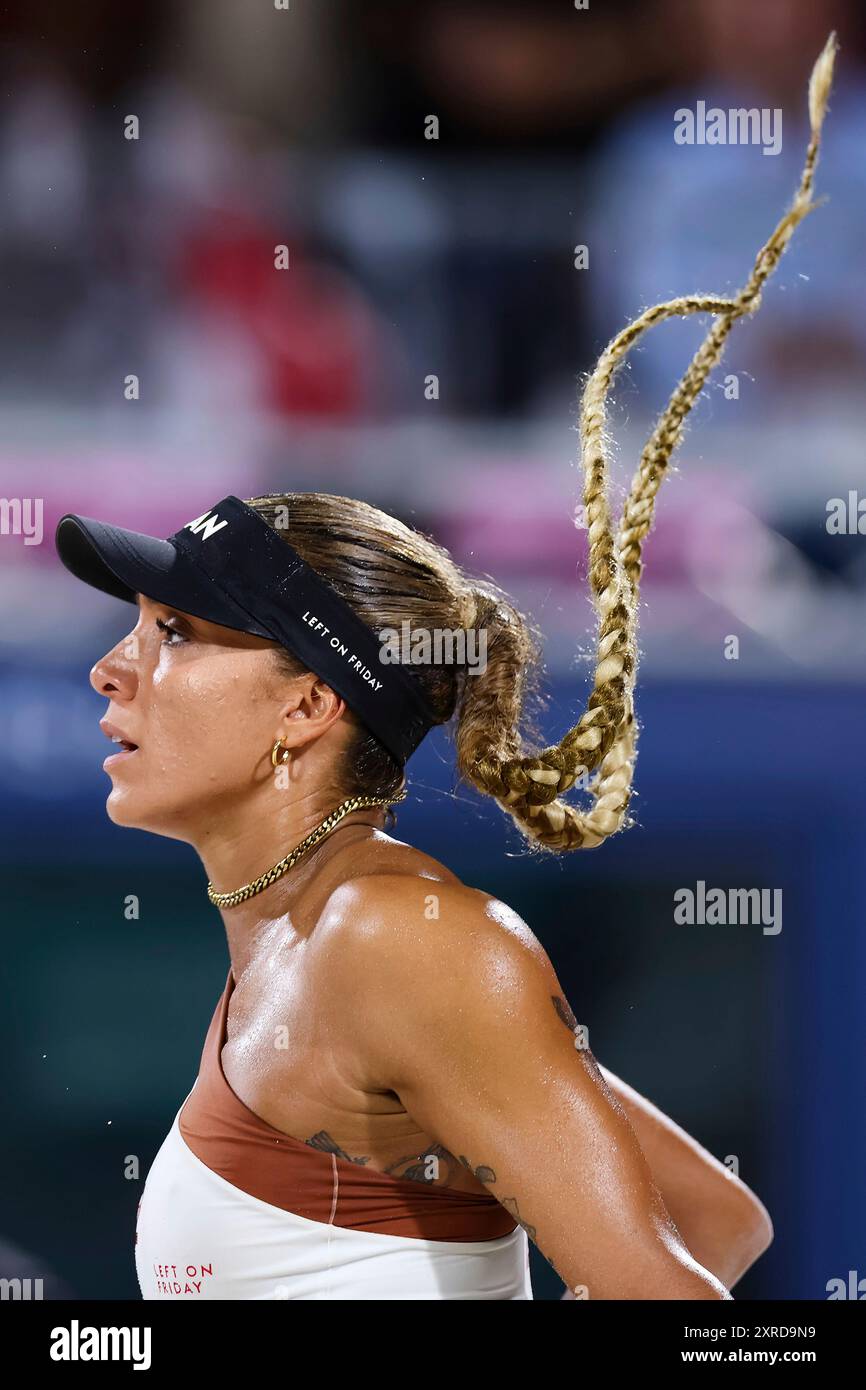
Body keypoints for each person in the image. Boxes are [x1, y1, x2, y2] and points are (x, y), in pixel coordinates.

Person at [52, 34, 835, 1302]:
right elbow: (713, 1215)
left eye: (177, 633)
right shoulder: (317, 935)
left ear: (307, 706)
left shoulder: (388, 940)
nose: (110, 669)